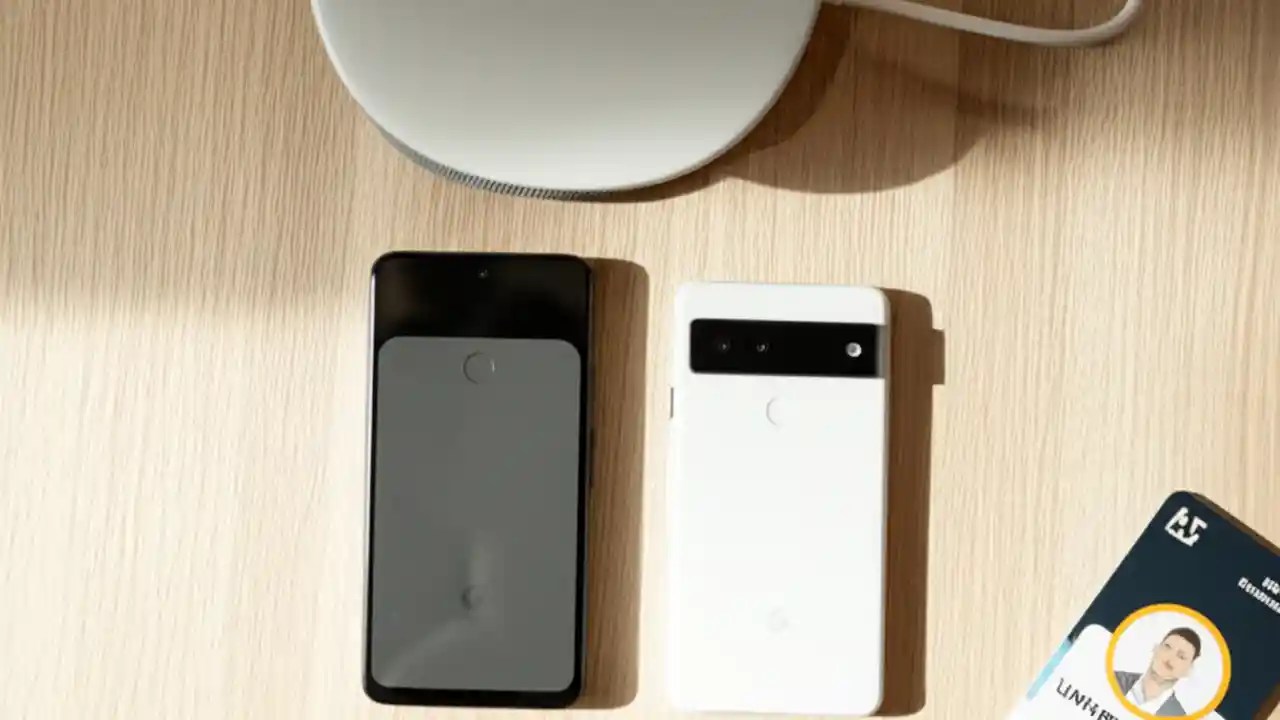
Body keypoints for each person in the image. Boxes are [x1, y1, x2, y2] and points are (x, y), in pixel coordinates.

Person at [1114, 627, 1202, 717]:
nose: (1170, 657)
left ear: (1189, 670)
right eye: (1167, 647)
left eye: (1181, 656)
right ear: (1155, 648)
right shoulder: (1113, 679)